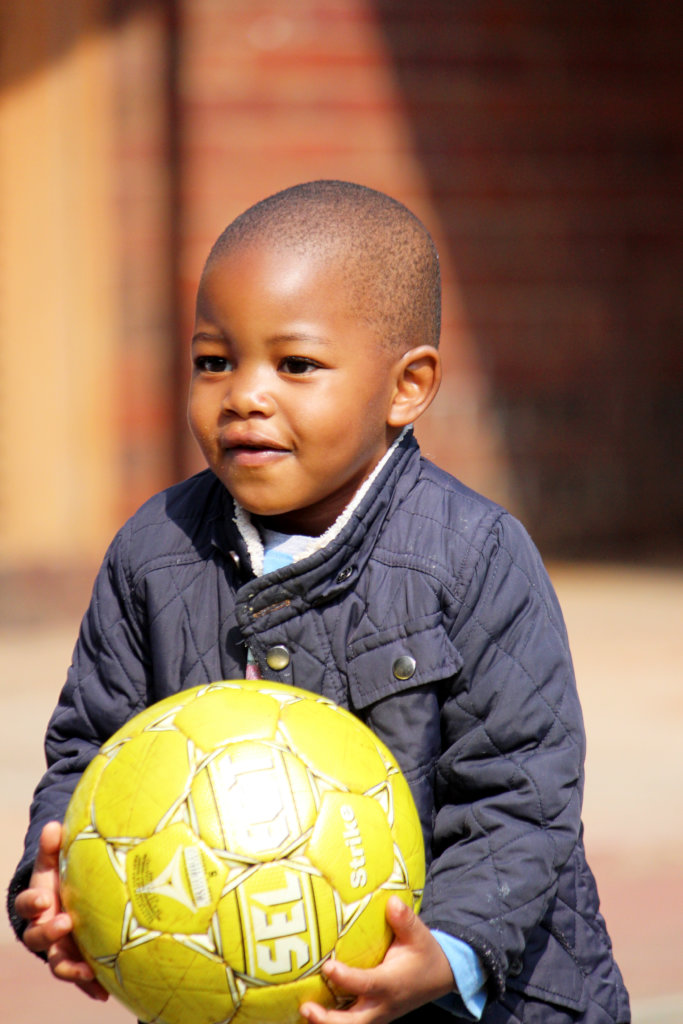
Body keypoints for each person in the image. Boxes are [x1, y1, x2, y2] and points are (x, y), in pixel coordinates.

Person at [7, 180, 630, 1024]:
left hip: (489, 1001)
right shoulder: (153, 554)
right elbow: (91, 751)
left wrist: (444, 951)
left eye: (295, 365)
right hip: (236, 995)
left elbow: (520, 798)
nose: (245, 395)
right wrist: (58, 882)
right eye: (213, 361)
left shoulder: (471, 554)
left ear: (406, 387)